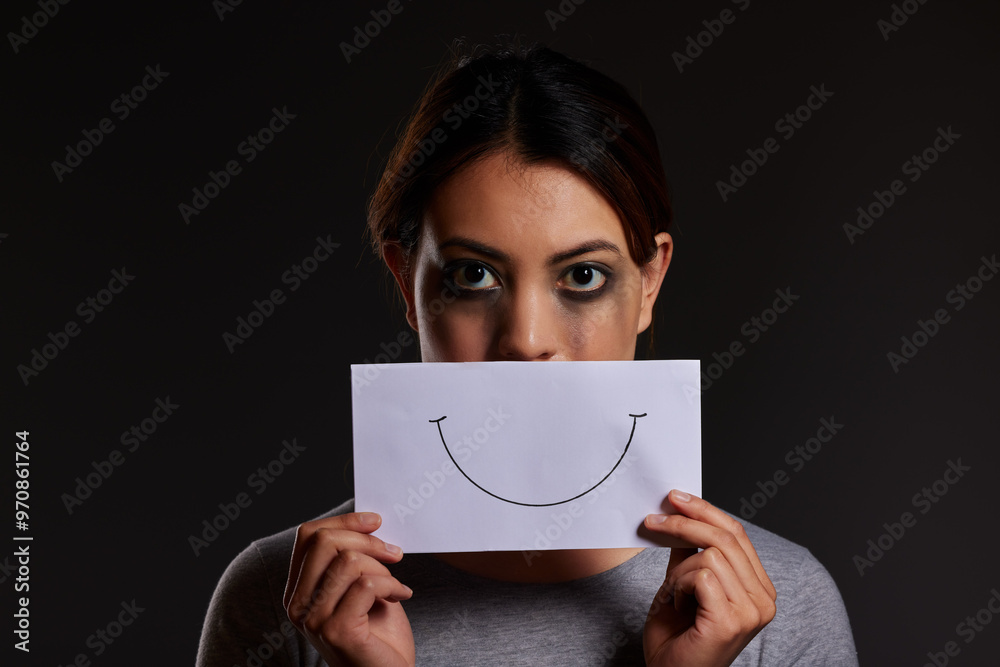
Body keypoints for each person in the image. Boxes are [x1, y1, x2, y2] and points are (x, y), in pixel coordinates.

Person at [197, 41, 858, 666]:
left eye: (582, 276)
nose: (528, 340)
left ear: (649, 282)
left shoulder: (780, 607)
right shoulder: (282, 599)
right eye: (473, 276)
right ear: (406, 282)